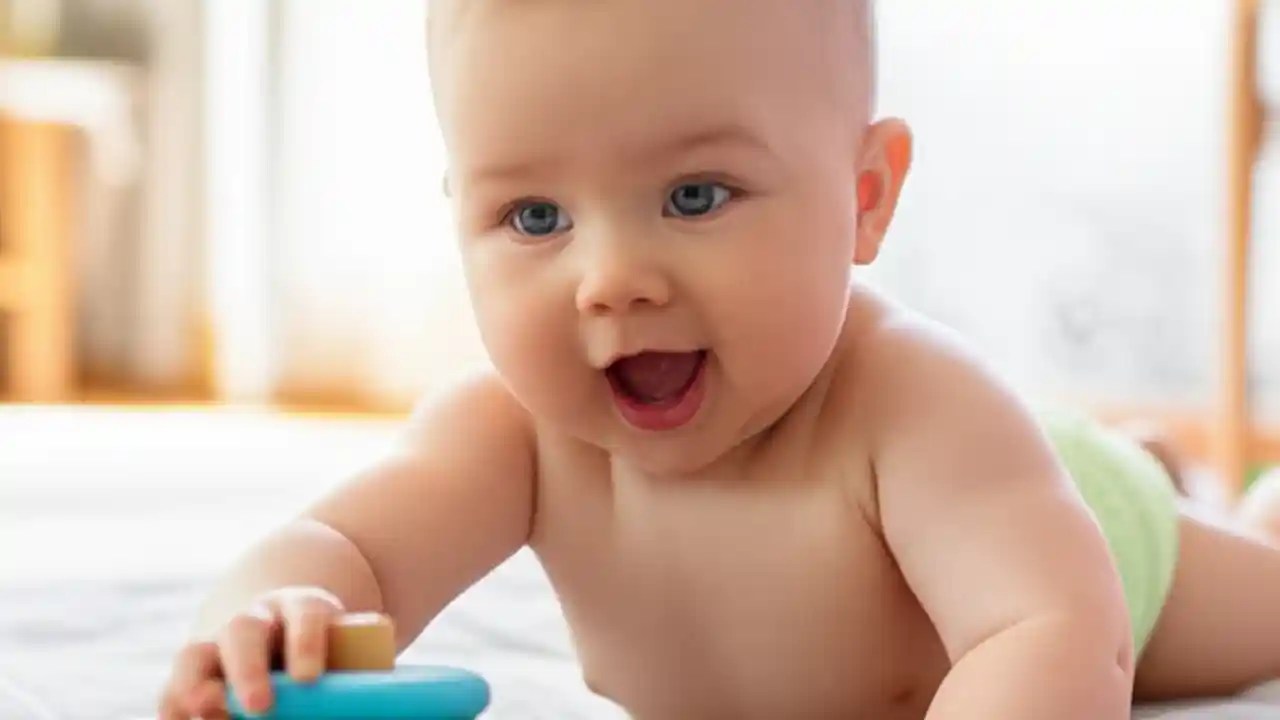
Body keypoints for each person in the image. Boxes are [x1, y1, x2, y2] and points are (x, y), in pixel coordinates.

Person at [159, 2, 1280, 717]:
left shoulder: (915, 409)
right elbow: (343, 545)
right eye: (536, 217)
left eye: (694, 196)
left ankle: (1214, 497)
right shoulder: (509, 433)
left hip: (1075, 526)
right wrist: (267, 615)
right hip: (1013, 493)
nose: (609, 279)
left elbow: (1049, 634)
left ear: (862, 198)